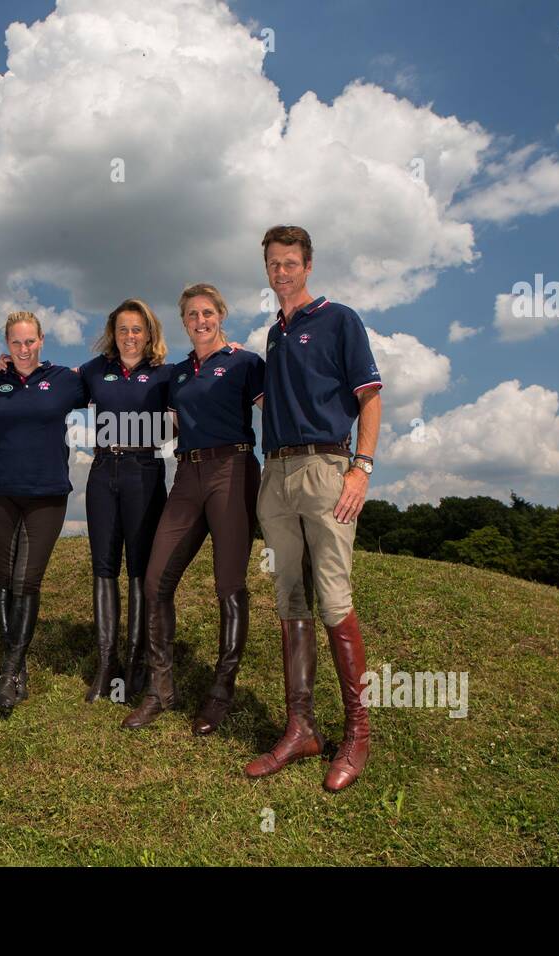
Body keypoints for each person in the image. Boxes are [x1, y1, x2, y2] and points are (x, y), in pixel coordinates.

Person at [244, 224, 383, 793]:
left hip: (327, 469)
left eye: (290, 263)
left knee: (333, 596)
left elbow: (369, 396)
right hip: (274, 472)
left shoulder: (339, 318)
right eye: (273, 264)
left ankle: (357, 734)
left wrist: (362, 467)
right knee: (289, 596)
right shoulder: (273, 337)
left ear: (308, 266)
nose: (281, 271)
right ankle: (300, 727)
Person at [122, 283, 265, 735]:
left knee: (228, 584)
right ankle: (161, 690)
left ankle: (221, 690)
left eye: (207, 313)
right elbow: (129, 377)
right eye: (191, 315)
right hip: (187, 474)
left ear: (221, 315)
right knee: (154, 581)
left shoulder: (245, 362)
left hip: (233, 468)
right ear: (182, 322)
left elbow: (276, 409)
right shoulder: (176, 374)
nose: (200, 321)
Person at [0, 312, 88, 713]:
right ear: (7, 344)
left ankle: (9, 668)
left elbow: (108, 383)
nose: (23, 350)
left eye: (30, 342)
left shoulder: (65, 381)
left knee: (26, 579)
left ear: (41, 341)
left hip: (47, 494)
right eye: (16, 343)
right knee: (4, 577)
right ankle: (14, 669)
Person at [76, 300, 174, 703]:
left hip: (144, 471)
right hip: (102, 471)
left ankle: (135, 666)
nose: (129, 336)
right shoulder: (94, 371)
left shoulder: (168, 374)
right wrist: (4, 367)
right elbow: (43, 384)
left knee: (138, 568)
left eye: (137, 329)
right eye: (122, 330)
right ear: (112, 334)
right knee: (103, 566)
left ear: (149, 334)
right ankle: (106, 665)